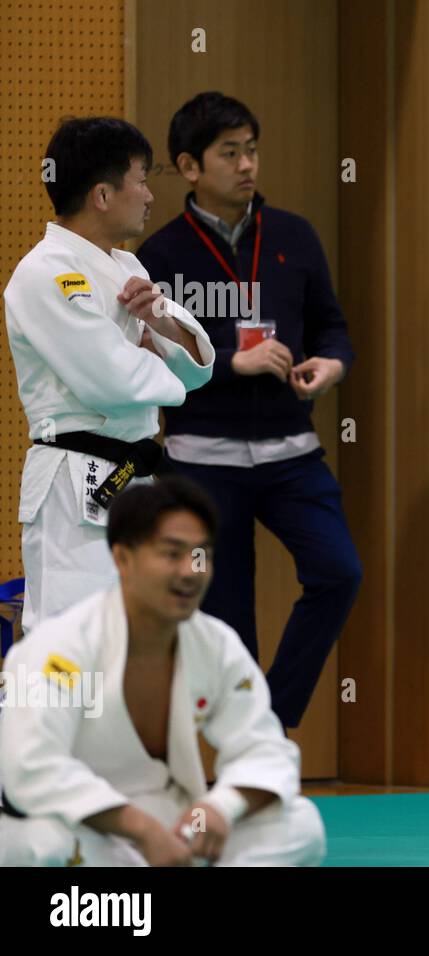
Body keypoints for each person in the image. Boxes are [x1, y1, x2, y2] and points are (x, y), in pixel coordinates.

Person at [136, 92, 361, 730]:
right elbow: (149, 361)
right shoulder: (162, 254)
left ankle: (272, 715)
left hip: (293, 455)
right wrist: (229, 358)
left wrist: (331, 365)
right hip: (201, 465)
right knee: (226, 613)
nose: (246, 165)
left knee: (338, 572)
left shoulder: (292, 235)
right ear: (189, 166)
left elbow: (333, 328)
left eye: (252, 150)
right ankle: (238, 754)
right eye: (229, 153)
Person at [0, 477, 325, 866]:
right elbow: (30, 769)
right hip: (76, 821)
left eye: (200, 555)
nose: (190, 571)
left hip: (167, 817)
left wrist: (216, 810)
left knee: (299, 825)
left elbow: (265, 748)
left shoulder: (214, 643)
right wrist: (142, 831)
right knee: (44, 847)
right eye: (171, 554)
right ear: (122, 559)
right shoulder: (60, 647)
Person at [3, 117, 214, 634]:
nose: (148, 195)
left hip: (134, 481)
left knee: (134, 641)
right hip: (76, 482)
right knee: (70, 647)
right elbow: (112, 382)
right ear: (102, 193)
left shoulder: (125, 266)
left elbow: (194, 374)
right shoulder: (45, 272)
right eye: (140, 180)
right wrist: (150, 360)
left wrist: (159, 323)